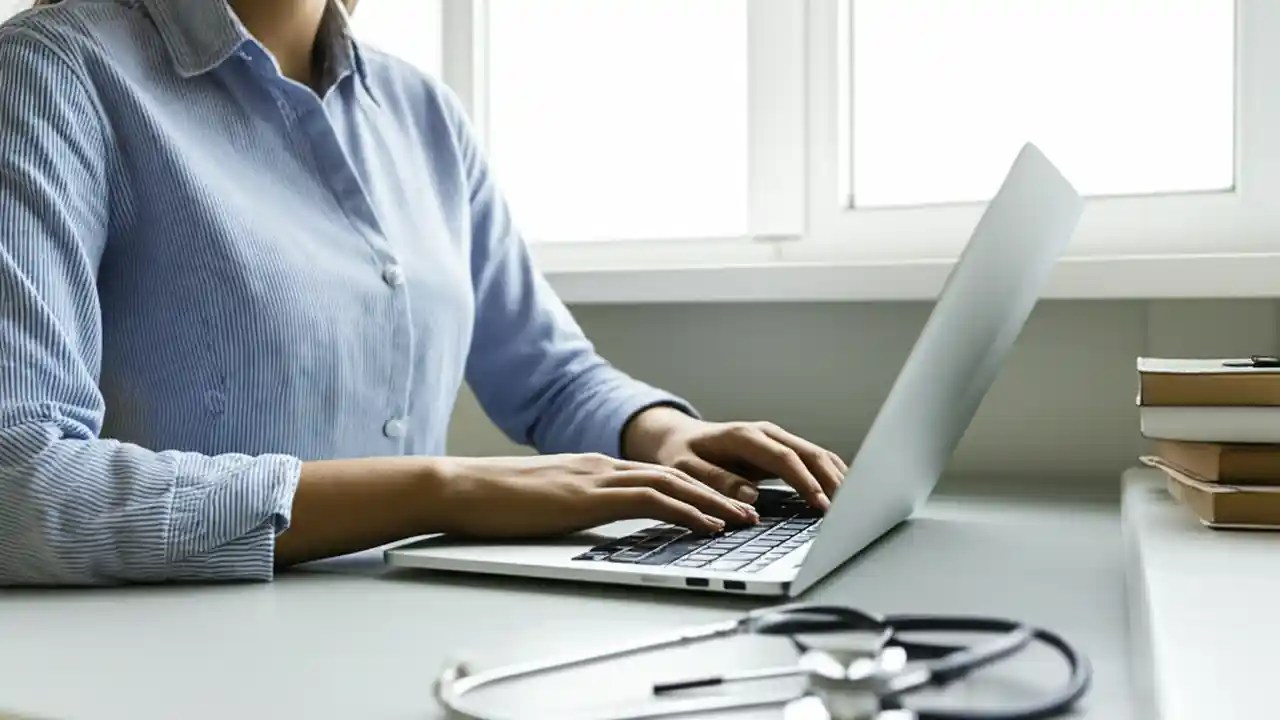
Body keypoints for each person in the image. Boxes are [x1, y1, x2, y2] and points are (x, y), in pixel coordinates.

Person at [0, 0, 846, 586]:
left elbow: (550, 378)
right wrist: (443, 488)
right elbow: (17, 482)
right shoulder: (52, 75)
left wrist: (666, 437)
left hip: (406, 628)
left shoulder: (422, 113)